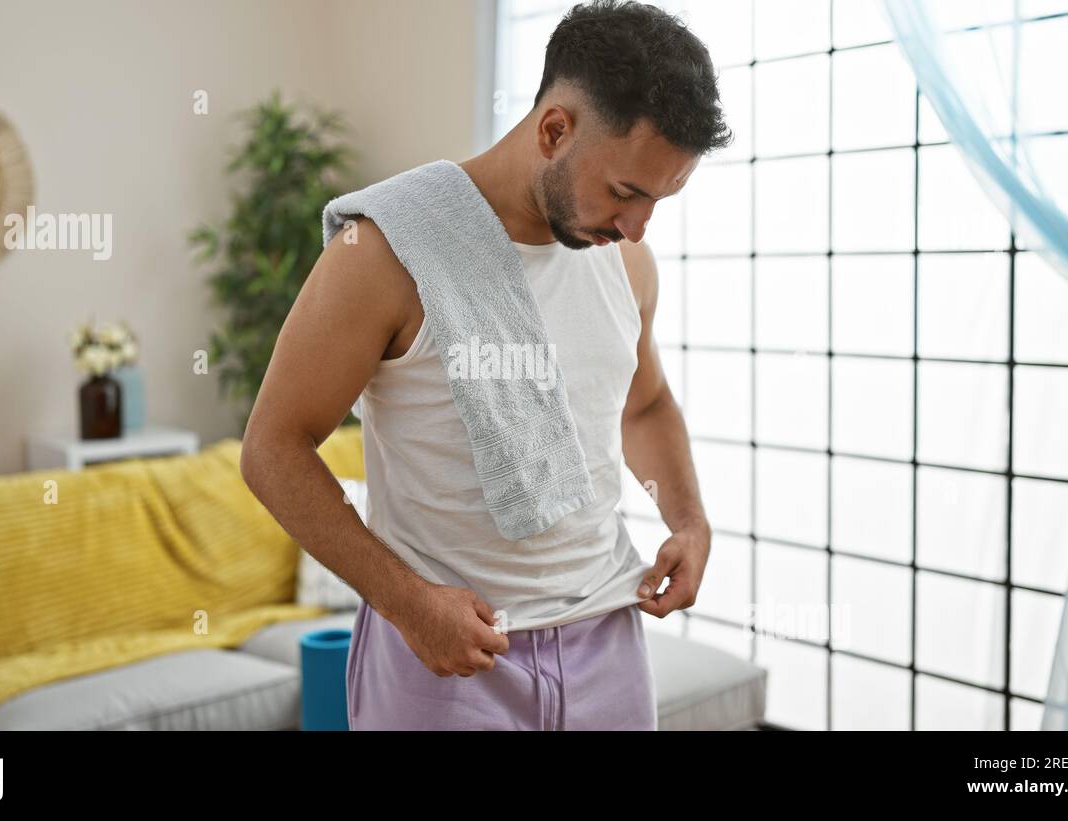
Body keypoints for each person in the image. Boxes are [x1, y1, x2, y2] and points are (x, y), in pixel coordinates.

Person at [240, 0, 732, 730]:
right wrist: (407, 602)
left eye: (659, 201)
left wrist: (688, 519)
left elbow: (644, 404)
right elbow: (272, 449)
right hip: (444, 654)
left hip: (608, 638)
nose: (637, 226)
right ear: (554, 129)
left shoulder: (626, 258)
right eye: (627, 192)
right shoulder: (379, 254)